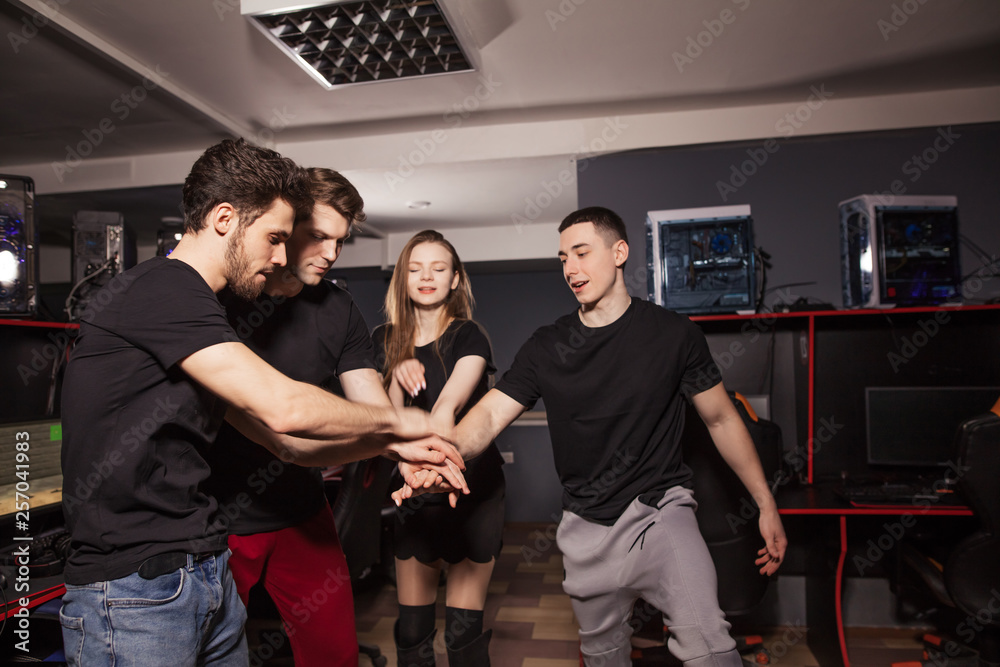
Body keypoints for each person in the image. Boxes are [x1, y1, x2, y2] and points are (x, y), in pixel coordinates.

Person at [58, 139, 466, 667]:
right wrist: (404, 422)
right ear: (234, 220)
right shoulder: (182, 295)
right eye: (283, 237)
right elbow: (285, 409)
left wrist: (399, 446)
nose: (294, 255)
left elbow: (289, 444)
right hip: (159, 565)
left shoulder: (264, 306)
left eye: (338, 241)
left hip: (206, 558)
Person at [395, 207, 787, 666]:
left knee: (710, 645)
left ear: (619, 252)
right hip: (584, 528)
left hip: (661, 514)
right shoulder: (547, 346)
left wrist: (765, 503)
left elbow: (721, 420)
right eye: (563, 258)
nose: (571, 269)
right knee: (603, 657)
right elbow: (487, 417)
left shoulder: (674, 335)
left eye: (581, 253)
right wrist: (443, 455)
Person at [202, 167, 390, 666]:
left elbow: (375, 411)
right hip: (220, 519)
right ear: (285, 227)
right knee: (213, 656)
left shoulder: (337, 308)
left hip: (301, 512)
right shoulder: (221, 301)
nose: (331, 253)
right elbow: (282, 432)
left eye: (341, 242)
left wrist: (412, 449)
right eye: (320, 237)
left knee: (335, 656)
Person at [373, 230, 505, 667]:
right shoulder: (383, 340)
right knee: (412, 633)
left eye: (438, 268)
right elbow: (382, 426)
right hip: (413, 492)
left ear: (455, 279)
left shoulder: (471, 336)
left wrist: (433, 458)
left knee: (463, 637)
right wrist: (396, 375)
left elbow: (447, 409)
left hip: (471, 490)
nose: (426, 276)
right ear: (402, 278)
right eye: (414, 268)